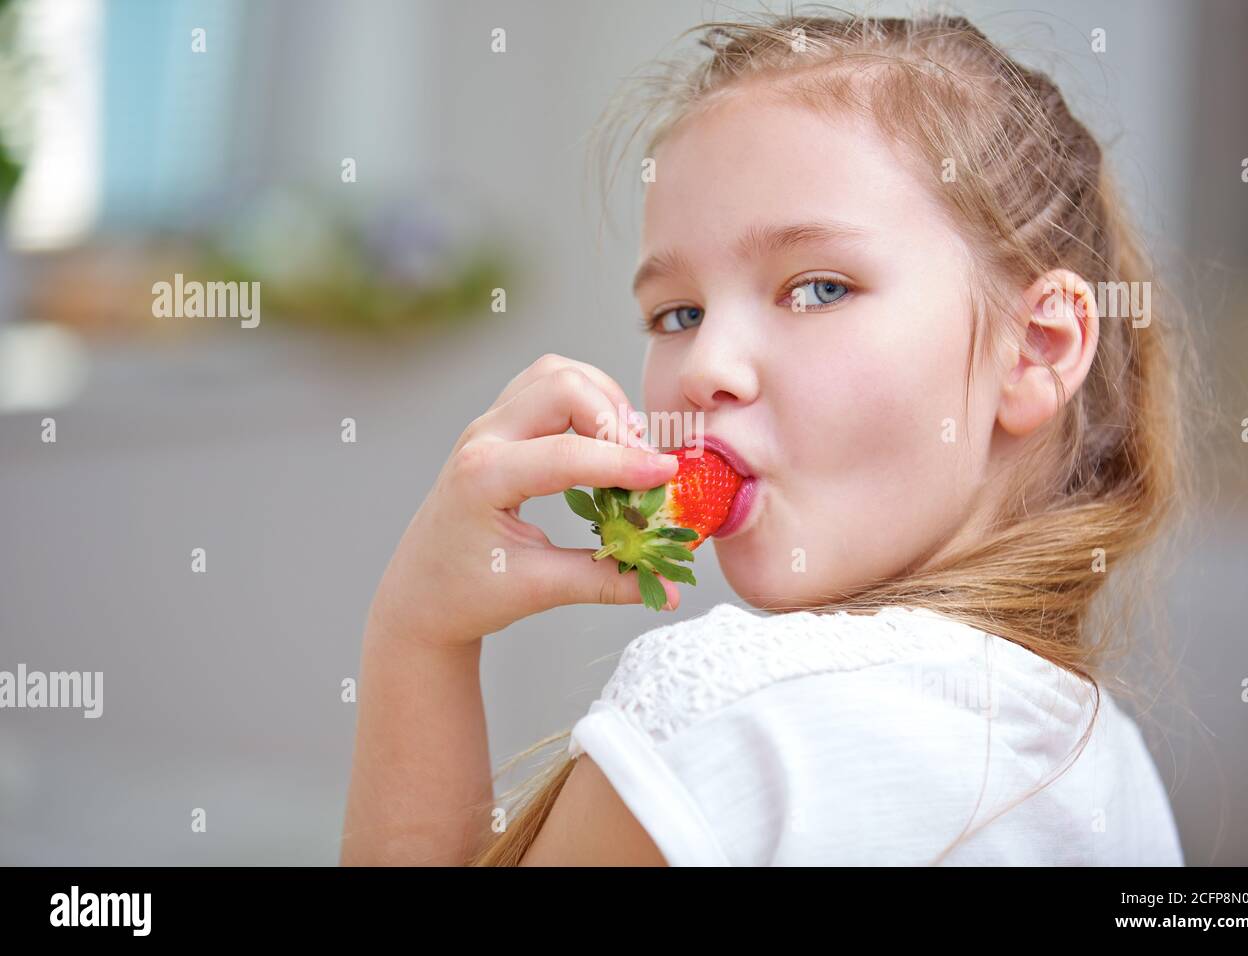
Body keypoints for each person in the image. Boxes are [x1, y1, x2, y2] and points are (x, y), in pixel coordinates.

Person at [341, 9, 1203, 866]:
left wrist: (417, 638)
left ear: (1038, 347)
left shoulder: (730, 715)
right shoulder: (1113, 767)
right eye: (678, 313)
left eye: (818, 289)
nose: (704, 366)